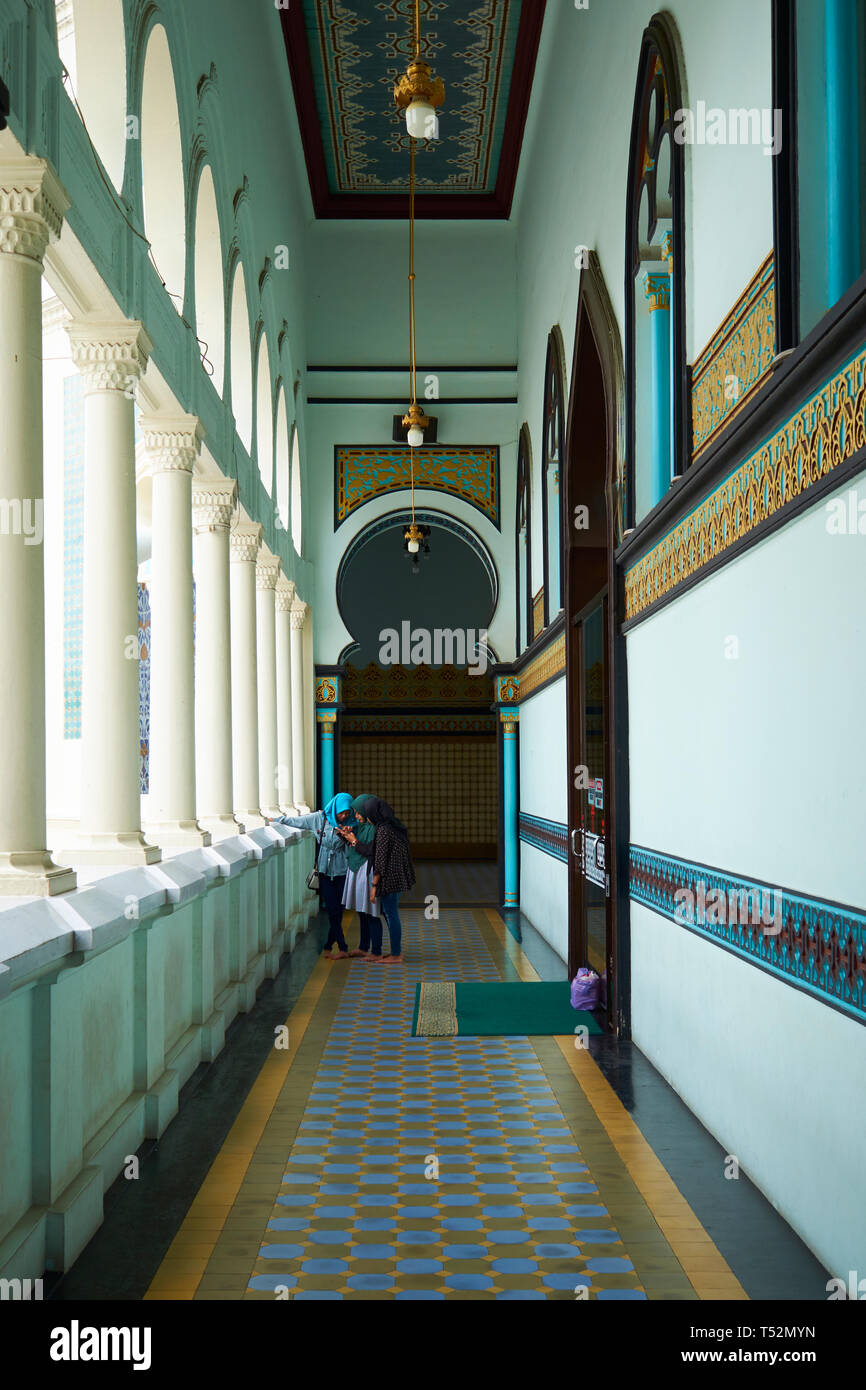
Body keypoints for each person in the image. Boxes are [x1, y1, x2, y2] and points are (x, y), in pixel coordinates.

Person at [273, 793, 355, 959]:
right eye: (341, 812)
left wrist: (349, 836)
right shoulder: (320, 818)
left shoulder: (351, 825)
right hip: (324, 871)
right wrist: (276, 820)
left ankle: (328, 945)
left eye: (347, 813)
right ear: (335, 809)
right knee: (332, 909)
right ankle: (343, 947)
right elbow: (298, 821)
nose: (344, 816)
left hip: (343, 872)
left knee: (338, 911)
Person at [346, 796, 415, 965]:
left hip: (390, 879)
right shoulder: (393, 826)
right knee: (391, 915)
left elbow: (380, 860)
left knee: (391, 916)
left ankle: (396, 954)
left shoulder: (383, 831)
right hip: (398, 876)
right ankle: (393, 952)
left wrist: (374, 886)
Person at [338, 794, 381, 959]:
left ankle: (376, 950)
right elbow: (353, 843)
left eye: (358, 813)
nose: (355, 816)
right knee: (362, 911)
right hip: (357, 869)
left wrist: (354, 841)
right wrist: (346, 834)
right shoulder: (359, 826)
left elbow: (370, 851)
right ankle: (364, 947)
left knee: (371, 911)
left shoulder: (376, 829)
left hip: (367, 870)